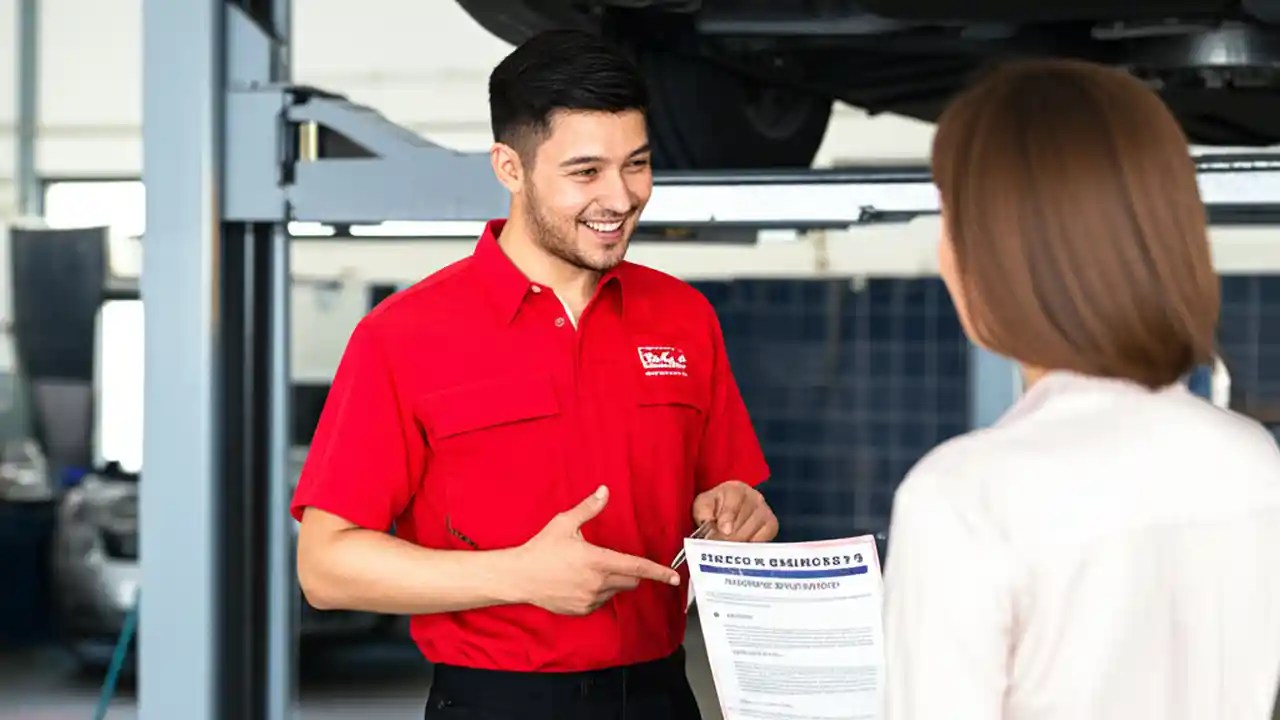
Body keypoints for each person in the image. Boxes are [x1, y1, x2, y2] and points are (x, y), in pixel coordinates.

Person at [290, 28, 777, 720]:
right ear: (509, 168)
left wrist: (738, 511)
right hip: (494, 701)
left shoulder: (683, 318)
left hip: (662, 695)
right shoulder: (403, 335)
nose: (621, 196)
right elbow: (326, 568)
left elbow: (728, 493)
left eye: (636, 164)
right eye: (585, 173)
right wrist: (516, 576)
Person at [882, 59, 1280, 720]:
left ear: (1005, 249)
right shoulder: (1253, 460)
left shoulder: (964, 495)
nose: (943, 251)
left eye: (950, 214)